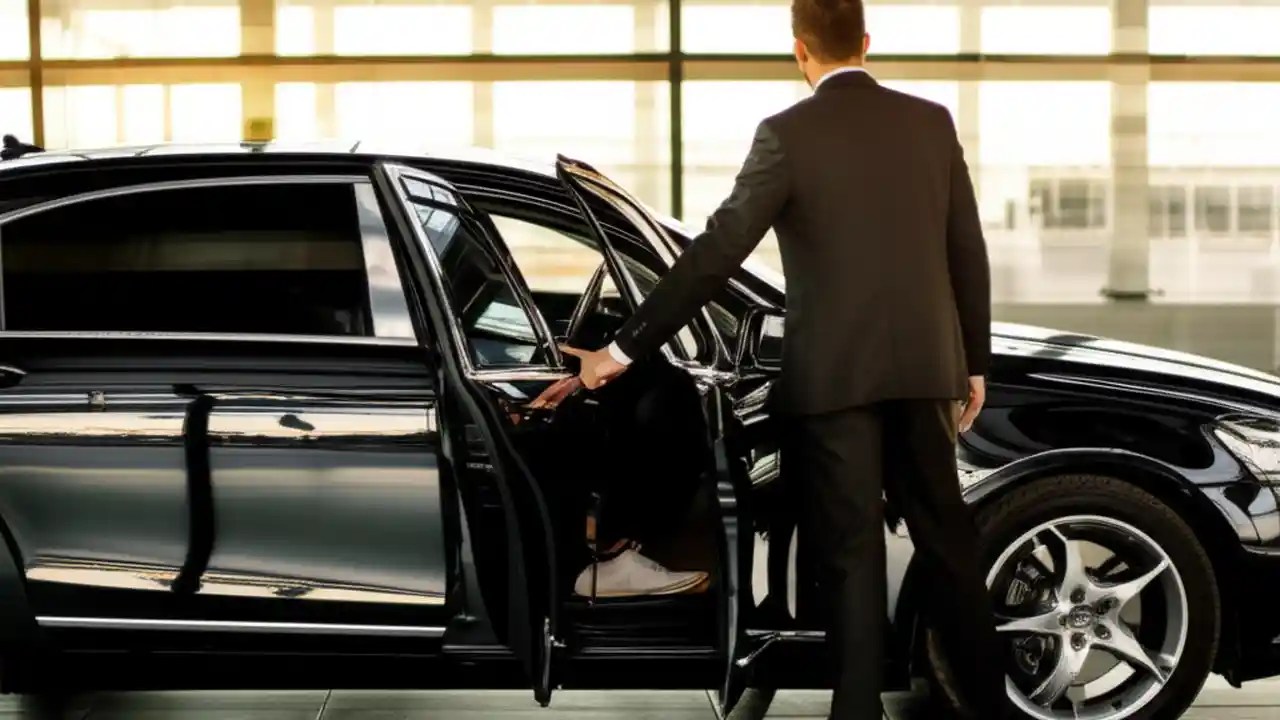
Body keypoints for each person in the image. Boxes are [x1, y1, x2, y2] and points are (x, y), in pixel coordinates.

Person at [557, 0, 1011, 717]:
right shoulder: (931, 123)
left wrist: (621, 349)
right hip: (928, 371)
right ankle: (992, 708)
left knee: (852, 556)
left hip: (833, 384)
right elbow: (968, 252)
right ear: (865, 41)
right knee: (949, 544)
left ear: (800, 51)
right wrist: (973, 362)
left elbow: (714, 255)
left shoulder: (787, 135)